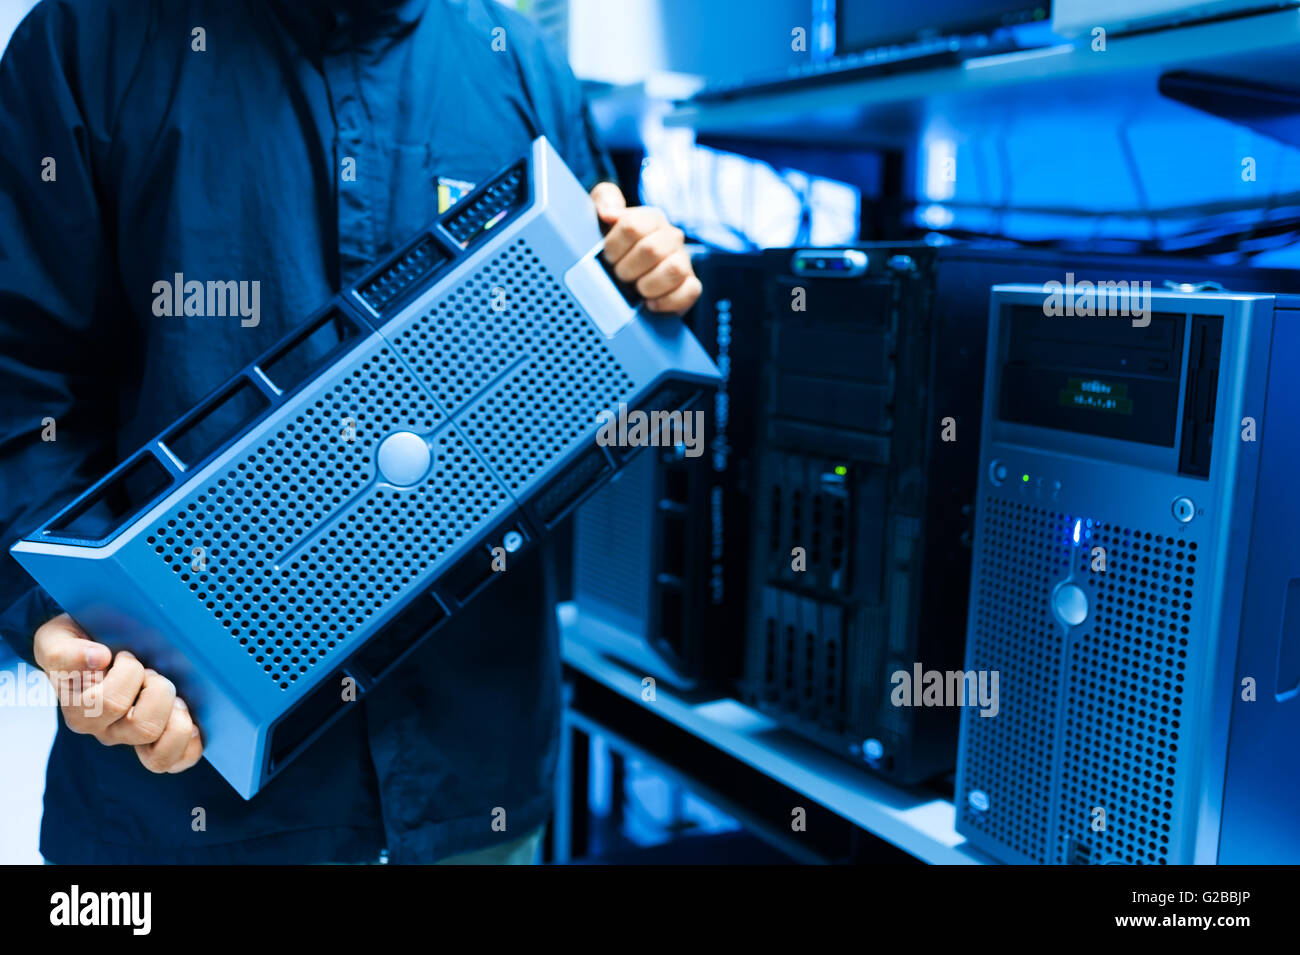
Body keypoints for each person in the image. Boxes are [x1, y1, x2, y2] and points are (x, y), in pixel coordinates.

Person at [0, 0, 701, 864]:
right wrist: (57, 621)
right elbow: (20, 392)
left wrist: (646, 286)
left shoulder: (518, 63)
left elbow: (589, 375)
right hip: (182, 809)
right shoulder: (87, 41)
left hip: (472, 795)